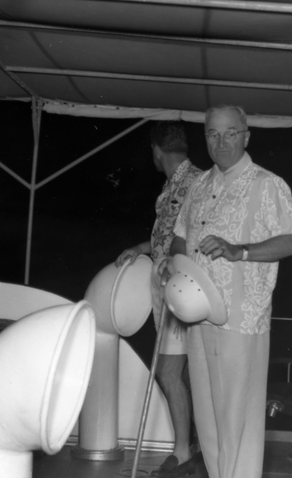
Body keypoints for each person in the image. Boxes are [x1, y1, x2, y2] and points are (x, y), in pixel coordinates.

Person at [169, 104, 292, 478]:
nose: (221, 141)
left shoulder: (267, 184)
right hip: (198, 318)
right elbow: (180, 238)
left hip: (241, 320)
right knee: (208, 419)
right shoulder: (200, 184)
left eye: (230, 133)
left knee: (237, 421)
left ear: (247, 136)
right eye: (213, 134)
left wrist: (239, 251)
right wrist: (175, 267)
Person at [116, 121, 203, 477]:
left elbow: (192, 240)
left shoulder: (195, 182)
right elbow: (167, 238)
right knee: (175, 373)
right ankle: (188, 448)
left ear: (156, 149)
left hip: (182, 292)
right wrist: (140, 249)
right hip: (170, 288)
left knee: (169, 372)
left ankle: (185, 451)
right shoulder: (174, 185)